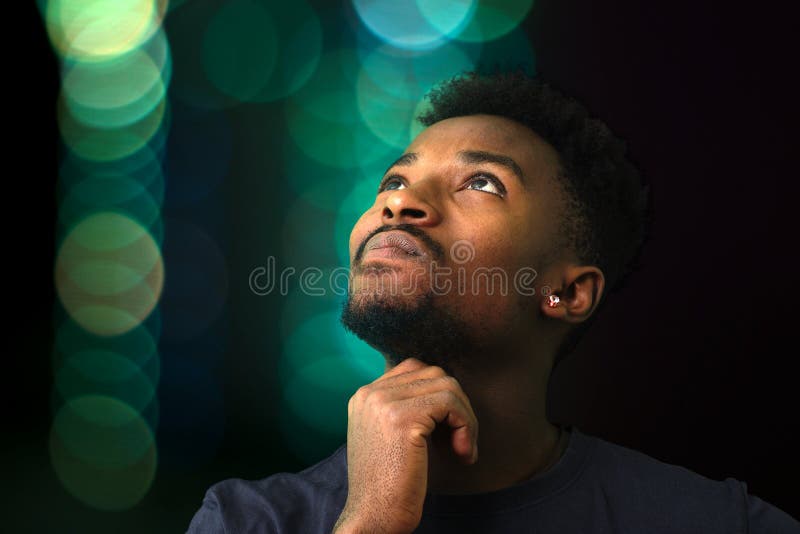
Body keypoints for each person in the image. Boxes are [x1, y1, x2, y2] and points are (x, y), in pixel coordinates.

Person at [187, 71, 799, 533]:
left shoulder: (715, 522)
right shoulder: (247, 519)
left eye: (481, 182)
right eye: (394, 182)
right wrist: (373, 518)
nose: (397, 204)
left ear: (566, 291)